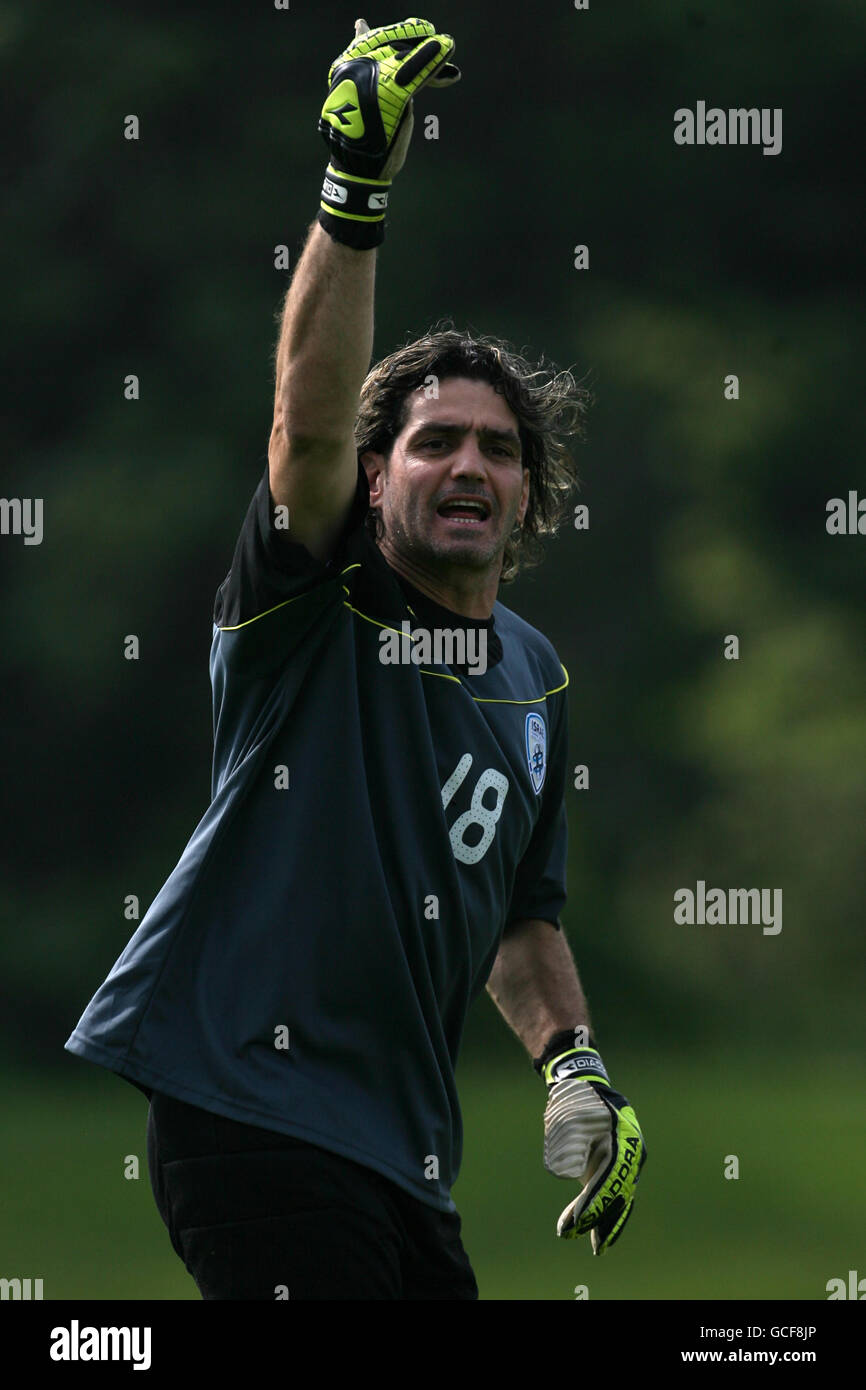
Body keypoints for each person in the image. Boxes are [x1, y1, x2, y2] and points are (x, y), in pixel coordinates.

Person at [65, 16, 646, 1301]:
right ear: (375, 476)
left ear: (529, 495)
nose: (468, 466)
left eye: (499, 448)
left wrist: (573, 1061)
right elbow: (304, 419)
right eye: (434, 440)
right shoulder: (310, 605)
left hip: (397, 1153)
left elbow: (522, 919)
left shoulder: (533, 678)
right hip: (249, 1104)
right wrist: (354, 195)